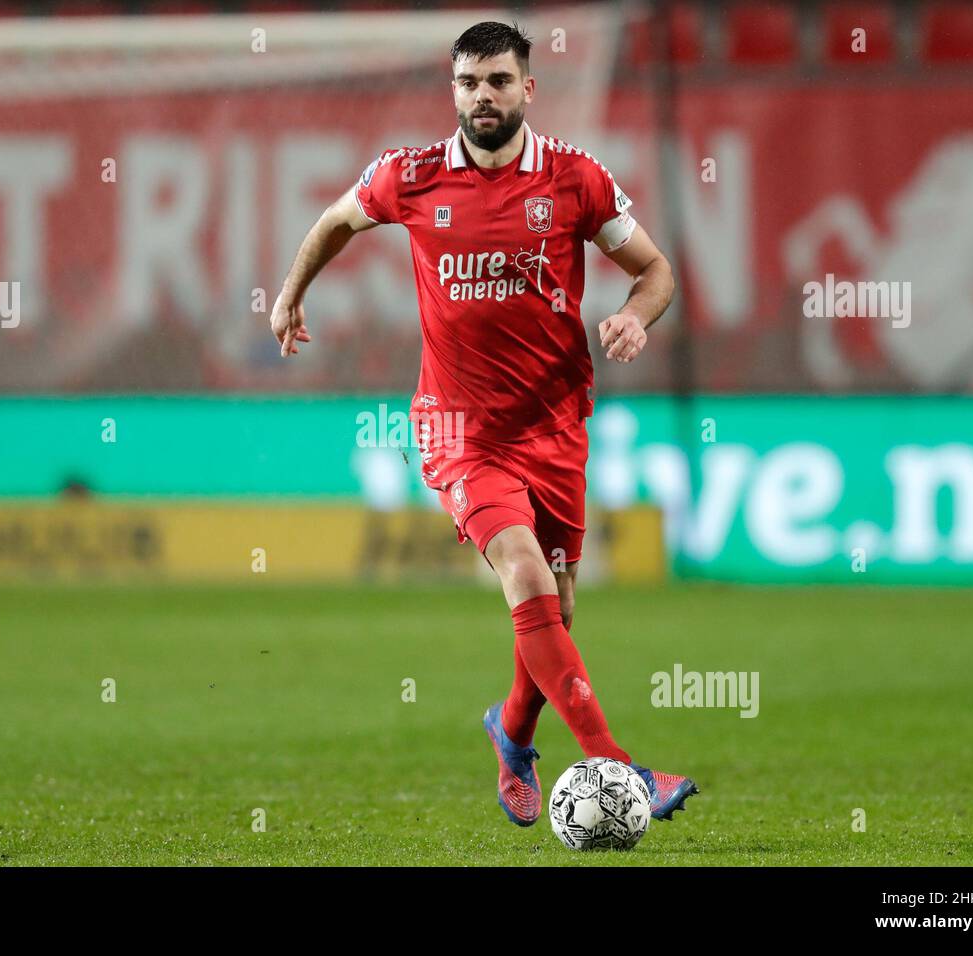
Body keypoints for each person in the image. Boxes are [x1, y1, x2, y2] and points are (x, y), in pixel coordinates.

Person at [269, 21, 696, 827]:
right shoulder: (411, 175)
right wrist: (292, 293)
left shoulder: (576, 180)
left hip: (556, 423)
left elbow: (655, 270)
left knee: (556, 614)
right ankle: (620, 770)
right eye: (468, 82)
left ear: (528, 89)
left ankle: (511, 731)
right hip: (458, 427)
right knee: (527, 578)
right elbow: (333, 221)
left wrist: (637, 317)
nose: (483, 96)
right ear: (453, 89)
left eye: (498, 81)